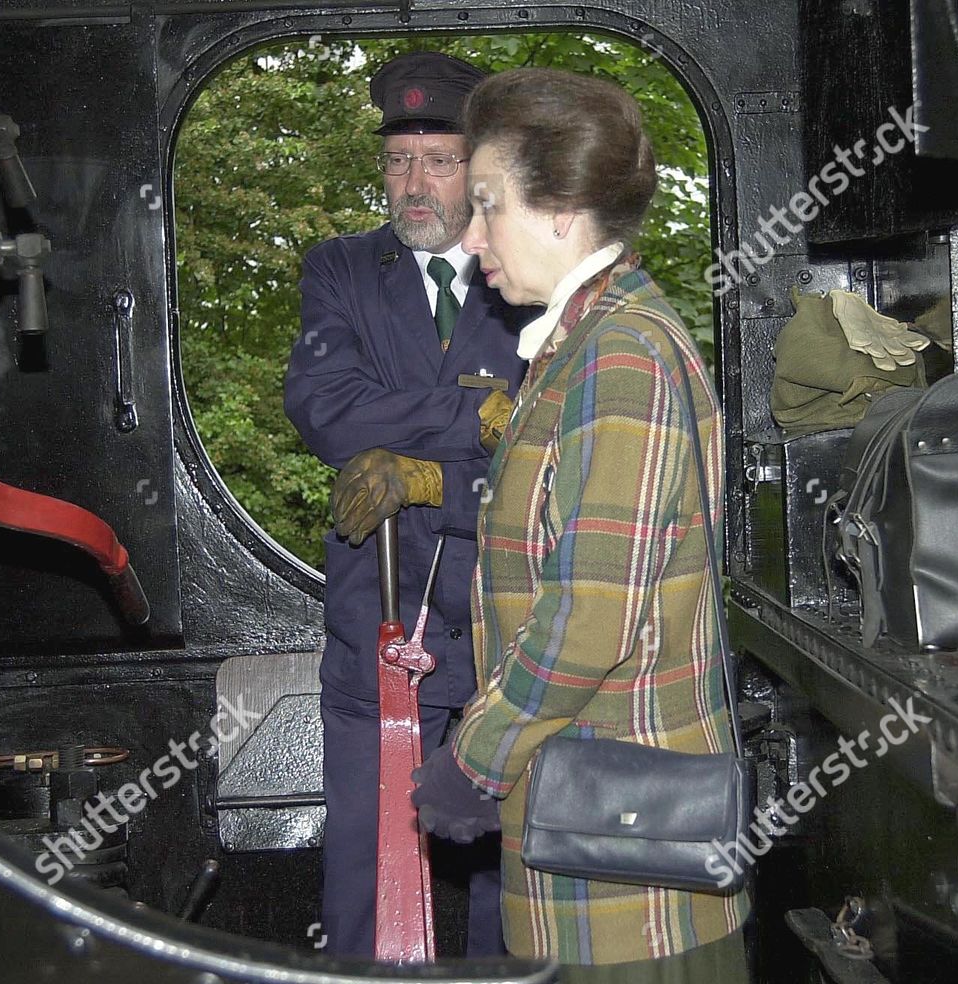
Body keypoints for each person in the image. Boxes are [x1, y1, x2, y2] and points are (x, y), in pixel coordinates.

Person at [409, 68, 751, 981]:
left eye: (488, 204)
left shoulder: (621, 357)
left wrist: (472, 762)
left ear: (561, 210)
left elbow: (590, 619)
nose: (468, 234)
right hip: (588, 838)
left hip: (629, 887)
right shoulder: (579, 346)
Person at [283, 50, 527, 958]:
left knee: (515, 881)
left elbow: (552, 466)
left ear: (482, 168)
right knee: (366, 870)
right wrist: (476, 416)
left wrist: (424, 467)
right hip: (377, 618)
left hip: (509, 617)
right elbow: (325, 409)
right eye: (398, 161)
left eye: (439, 160)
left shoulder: (527, 273)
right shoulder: (342, 269)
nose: (414, 184)